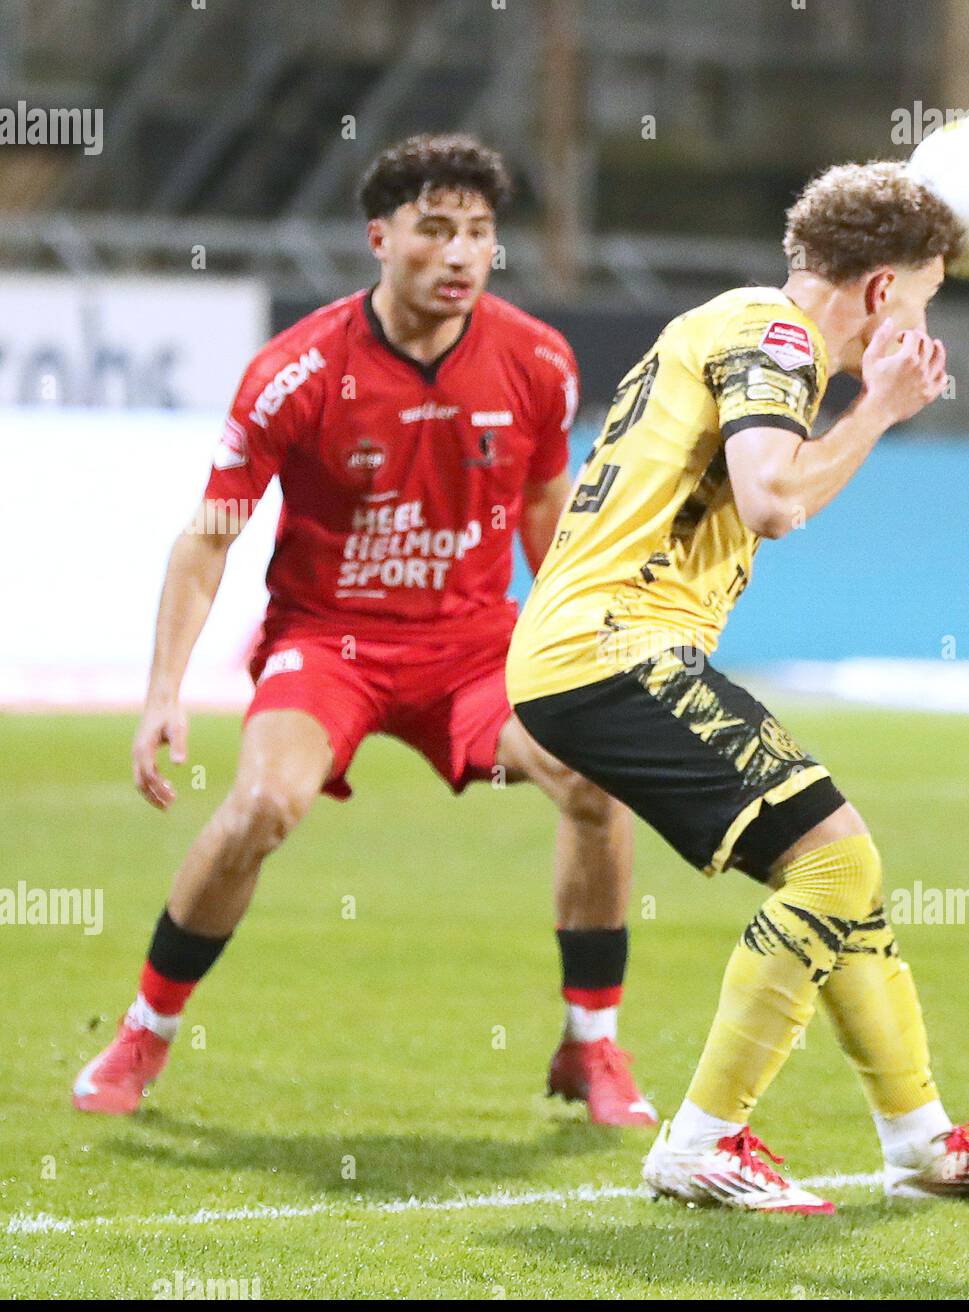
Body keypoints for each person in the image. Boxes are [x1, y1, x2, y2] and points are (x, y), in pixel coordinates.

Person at [506, 161, 969, 1211]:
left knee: (840, 870)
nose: (915, 319)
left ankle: (920, 1137)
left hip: (593, 647)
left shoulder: (742, 325)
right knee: (832, 861)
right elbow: (772, 498)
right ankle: (699, 1140)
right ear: (876, 292)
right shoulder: (777, 339)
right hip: (612, 647)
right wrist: (879, 411)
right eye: (920, 296)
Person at [73, 133, 655, 1129]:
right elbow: (207, 540)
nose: (462, 254)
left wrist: (585, 639)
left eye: (478, 232)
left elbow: (547, 508)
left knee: (596, 780)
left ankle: (590, 1046)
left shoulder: (537, 361)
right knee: (261, 804)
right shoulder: (296, 372)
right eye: (436, 230)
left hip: (475, 646)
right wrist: (163, 692)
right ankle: (144, 1031)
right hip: (330, 643)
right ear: (379, 237)